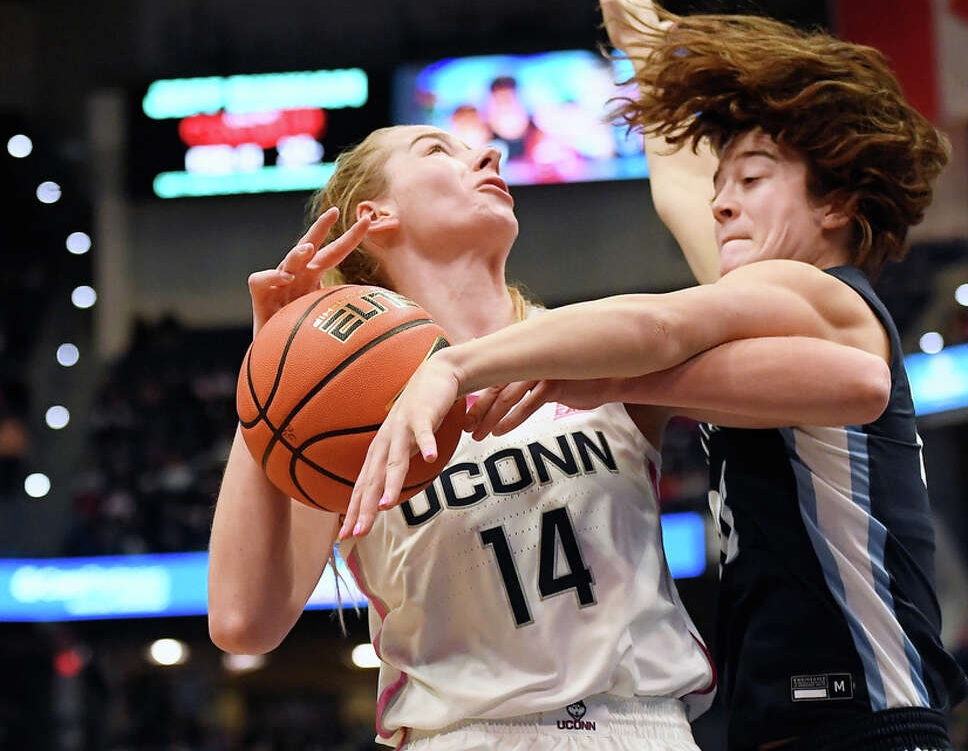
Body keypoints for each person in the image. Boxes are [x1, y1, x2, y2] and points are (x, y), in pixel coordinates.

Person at [340, 0, 968, 750]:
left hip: (867, 718)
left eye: (751, 176)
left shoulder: (824, 294)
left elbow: (660, 327)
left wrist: (463, 363)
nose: (723, 200)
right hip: (786, 718)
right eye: (723, 184)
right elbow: (679, 189)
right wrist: (647, 56)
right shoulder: (769, 306)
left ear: (837, 204)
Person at [207, 115, 889, 748]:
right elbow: (243, 622)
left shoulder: (591, 347)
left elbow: (854, 383)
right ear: (374, 214)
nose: (487, 151)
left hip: (639, 726)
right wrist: (274, 371)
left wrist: (616, 379)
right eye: (438, 150)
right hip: (461, 734)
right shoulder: (340, 408)